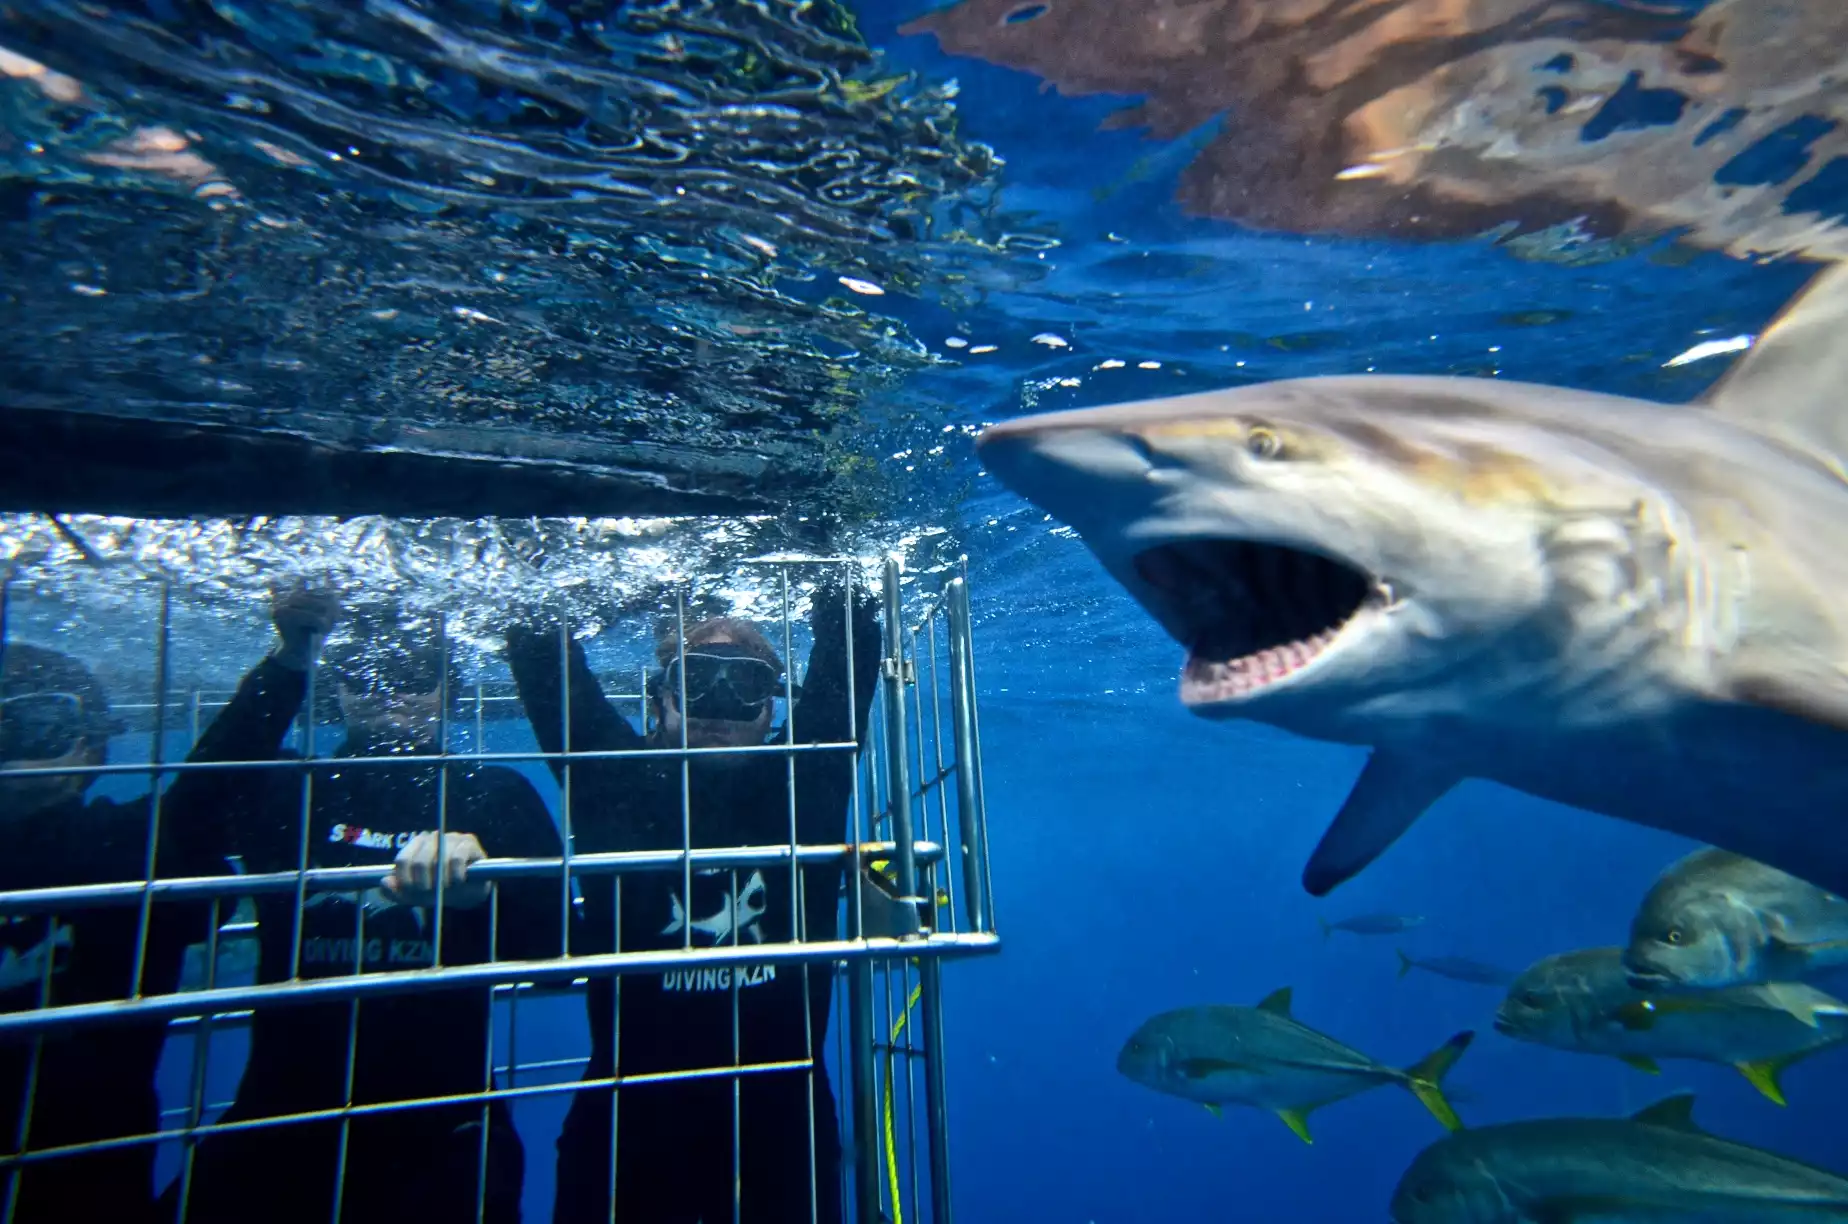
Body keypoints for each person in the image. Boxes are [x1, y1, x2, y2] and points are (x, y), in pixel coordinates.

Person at [167, 590, 569, 1224]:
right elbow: (183, 825)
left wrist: (480, 894)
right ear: (340, 686)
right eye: (362, 668)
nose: (391, 688)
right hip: (280, 1115)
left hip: (445, 1122)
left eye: (416, 674)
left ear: (448, 691)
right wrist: (290, 659)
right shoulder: (285, 790)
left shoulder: (494, 794)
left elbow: (557, 956)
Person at [503, 578, 881, 1224]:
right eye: (699, 680)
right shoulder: (612, 778)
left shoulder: (809, 779)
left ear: (774, 708)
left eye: (746, 686)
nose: (720, 704)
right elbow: (541, 658)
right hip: (628, 1119)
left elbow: (854, 640)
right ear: (661, 698)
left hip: (782, 1118)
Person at [0, 642, 239, 1223]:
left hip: (88, 1159)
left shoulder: (128, 844)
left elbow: (207, 800)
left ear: (90, 744)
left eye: (33, 727)